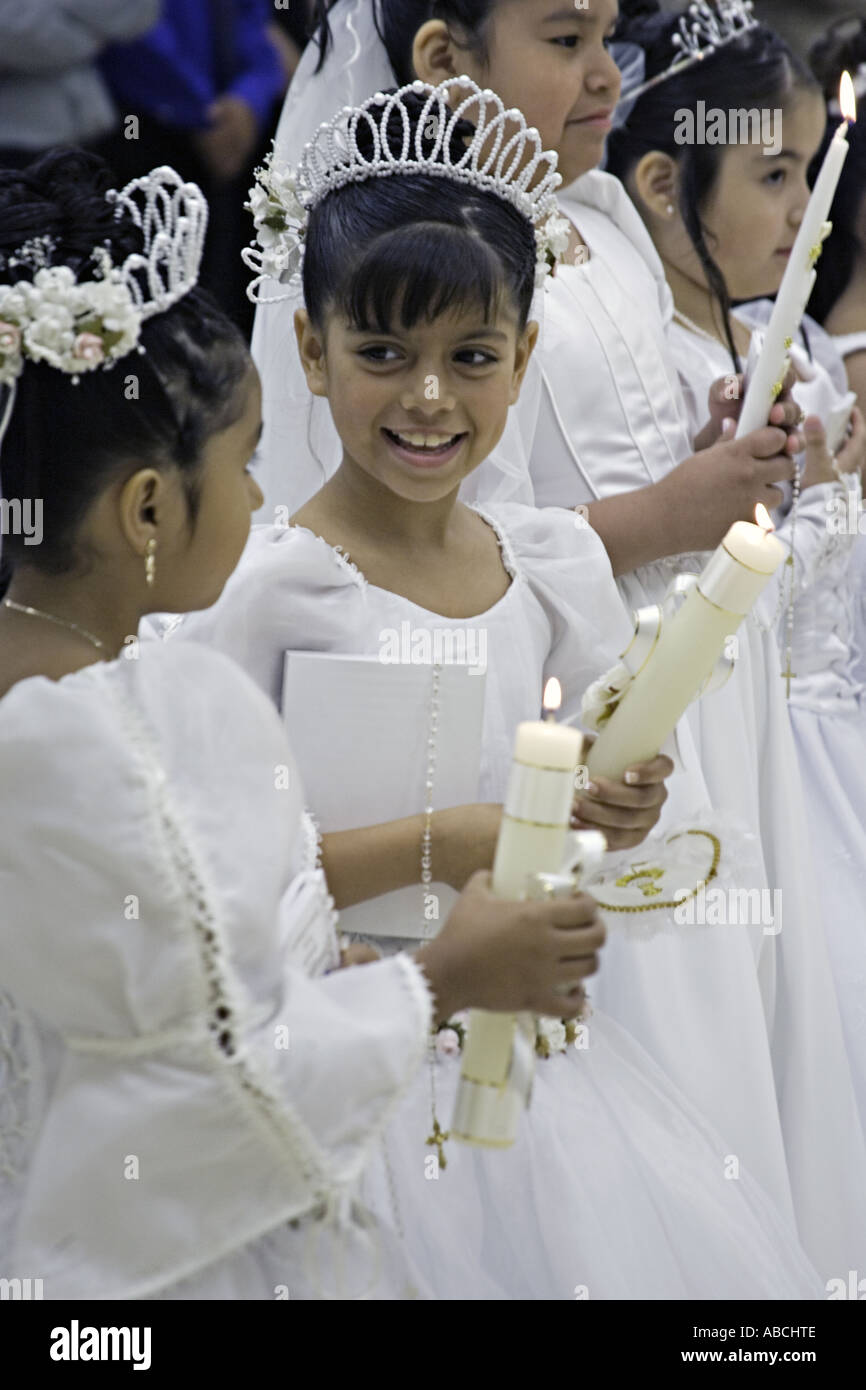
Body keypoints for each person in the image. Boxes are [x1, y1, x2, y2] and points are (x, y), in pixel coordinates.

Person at [173, 77, 825, 1300]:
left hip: (540, 1084)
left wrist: (612, 803)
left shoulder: (548, 567)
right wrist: (450, 841)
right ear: (310, 350)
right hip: (345, 1069)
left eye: (471, 357)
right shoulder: (272, 593)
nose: (429, 396)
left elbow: (582, 779)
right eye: (382, 353)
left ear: (524, 355)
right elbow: (208, 880)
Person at [0, 148, 606, 1300]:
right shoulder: (61, 744)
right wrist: (433, 979)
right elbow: (199, 1086)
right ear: (146, 508)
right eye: (242, 463)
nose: (258, 499)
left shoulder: (142, 692)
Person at [606, 6, 866, 1131]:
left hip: (810, 741)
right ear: (665, 184)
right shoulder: (634, 357)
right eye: (771, 175)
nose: (803, 209)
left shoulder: (790, 357)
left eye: (809, 172)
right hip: (709, 757)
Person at [99, 1, 287, 330]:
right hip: (141, 127)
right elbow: (130, 29)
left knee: (223, 294)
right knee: (148, 299)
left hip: (235, 135)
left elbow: (254, 28)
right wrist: (204, 113)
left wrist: (249, 99)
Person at [0, 0, 160, 168]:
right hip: (21, 136)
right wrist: (87, 38)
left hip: (97, 122)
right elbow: (14, 29)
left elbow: (135, 10)